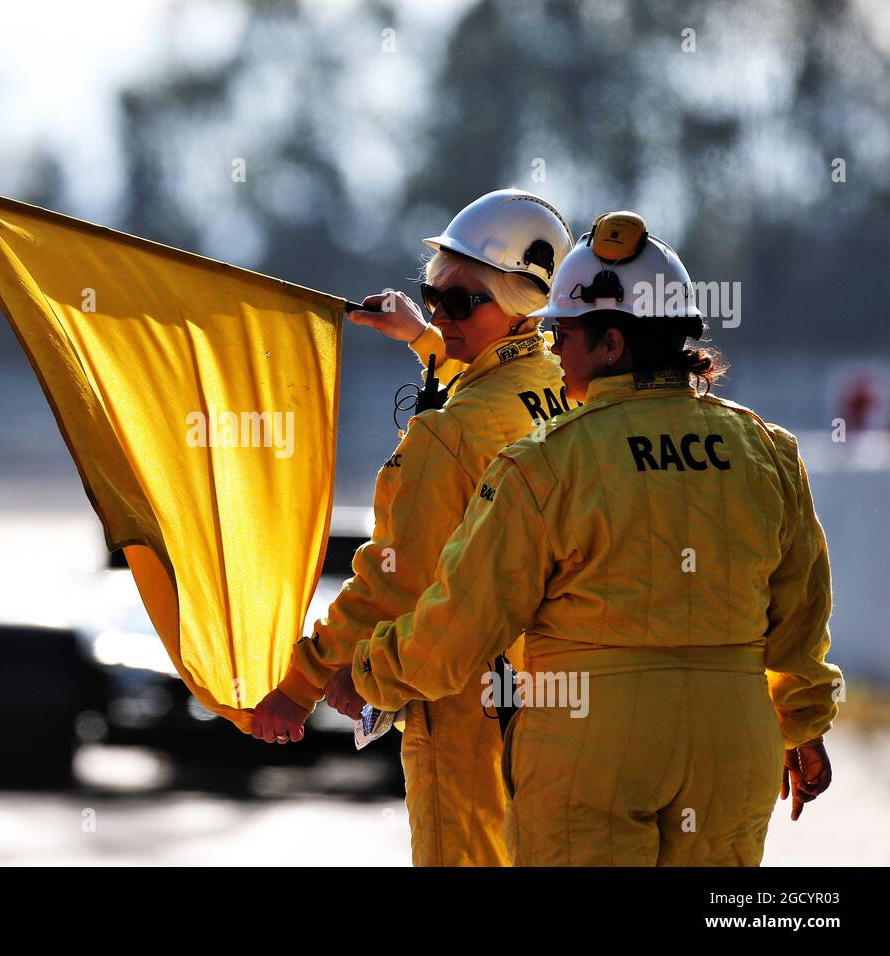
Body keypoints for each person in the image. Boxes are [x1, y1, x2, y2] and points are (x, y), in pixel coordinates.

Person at [338, 211, 840, 865]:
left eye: (563, 335)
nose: (552, 351)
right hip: (731, 748)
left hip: (591, 747)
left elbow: (462, 623)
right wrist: (801, 724)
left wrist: (373, 671)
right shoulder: (767, 450)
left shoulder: (548, 462)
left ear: (609, 345)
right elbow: (800, 611)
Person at [250, 188, 574, 866]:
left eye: (461, 303)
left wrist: (301, 683)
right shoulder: (570, 387)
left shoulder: (446, 436)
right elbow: (495, 382)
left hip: (467, 711)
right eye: (432, 296)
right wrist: (425, 337)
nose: (440, 314)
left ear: (519, 302)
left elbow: (392, 582)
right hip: (571, 698)